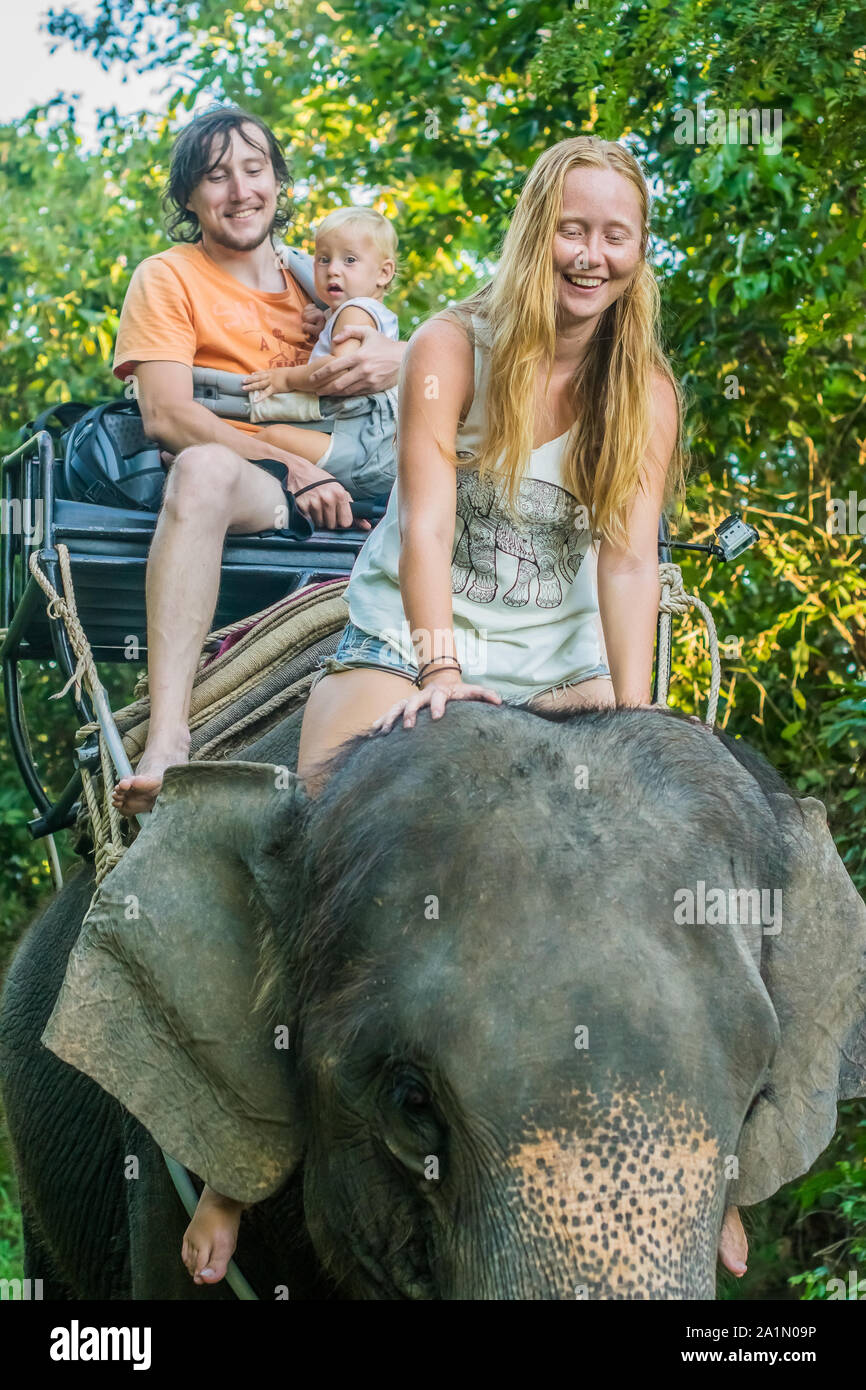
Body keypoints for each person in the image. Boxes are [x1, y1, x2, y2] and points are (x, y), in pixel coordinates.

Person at [180, 134, 748, 1285]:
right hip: (416, 632)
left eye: (615, 236)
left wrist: (640, 728)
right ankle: (239, 1152)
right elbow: (427, 523)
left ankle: (714, 1172)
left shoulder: (641, 390)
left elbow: (628, 562)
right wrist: (437, 671)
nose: (591, 255)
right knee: (307, 843)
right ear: (537, 232)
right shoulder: (449, 345)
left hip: (561, 657)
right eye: (572, 229)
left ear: (637, 254)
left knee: (679, 859)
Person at [109, 106, 405, 816]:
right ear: (188, 198)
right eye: (216, 177)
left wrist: (395, 357)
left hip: (361, 471)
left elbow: (406, 358)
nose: (240, 191)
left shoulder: (323, 275)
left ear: (277, 182)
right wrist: (296, 469)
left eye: (254, 170)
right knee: (201, 467)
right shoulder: (168, 277)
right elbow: (169, 414)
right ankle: (169, 737)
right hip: (251, 480)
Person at [242, 205, 401, 499]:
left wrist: (286, 379)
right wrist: (326, 326)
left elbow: (337, 372)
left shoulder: (355, 311)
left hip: (362, 445)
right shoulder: (359, 312)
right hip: (368, 443)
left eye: (350, 260)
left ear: (383, 272)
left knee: (272, 439)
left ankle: (212, 459)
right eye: (324, 259)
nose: (333, 270)